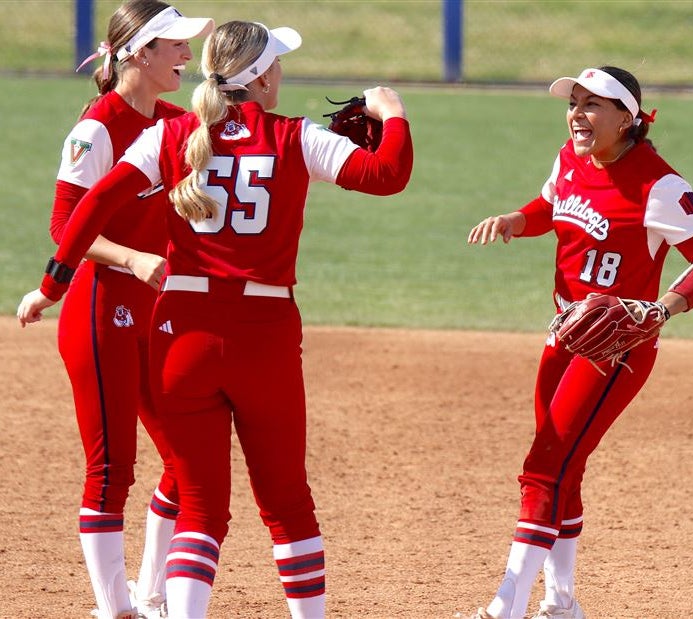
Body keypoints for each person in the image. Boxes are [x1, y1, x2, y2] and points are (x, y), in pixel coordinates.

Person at [18, 20, 413, 618]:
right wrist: (393, 113)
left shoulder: (172, 133)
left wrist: (53, 284)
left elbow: (91, 205)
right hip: (263, 333)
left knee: (200, 508)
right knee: (286, 504)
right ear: (261, 78)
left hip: (182, 333)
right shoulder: (296, 136)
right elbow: (388, 175)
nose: (281, 71)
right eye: (276, 62)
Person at [465, 66, 693, 619]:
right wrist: (516, 219)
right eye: (574, 103)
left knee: (544, 466)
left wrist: (661, 308)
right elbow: (551, 207)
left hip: (616, 347)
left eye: (592, 105)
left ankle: (506, 606)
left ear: (627, 119)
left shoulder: (660, 186)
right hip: (564, 329)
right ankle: (561, 602)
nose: (577, 115)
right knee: (565, 466)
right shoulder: (569, 159)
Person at [54, 3, 212, 617]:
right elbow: (64, 228)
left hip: (156, 311)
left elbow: (237, 134)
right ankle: (113, 608)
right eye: (175, 45)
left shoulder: (174, 122)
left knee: (188, 458)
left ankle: (152, 595)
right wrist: (130, 258)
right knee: (112, 466)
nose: (187, 55)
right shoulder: (97, 128)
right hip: (101, 308)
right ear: (140, 54)